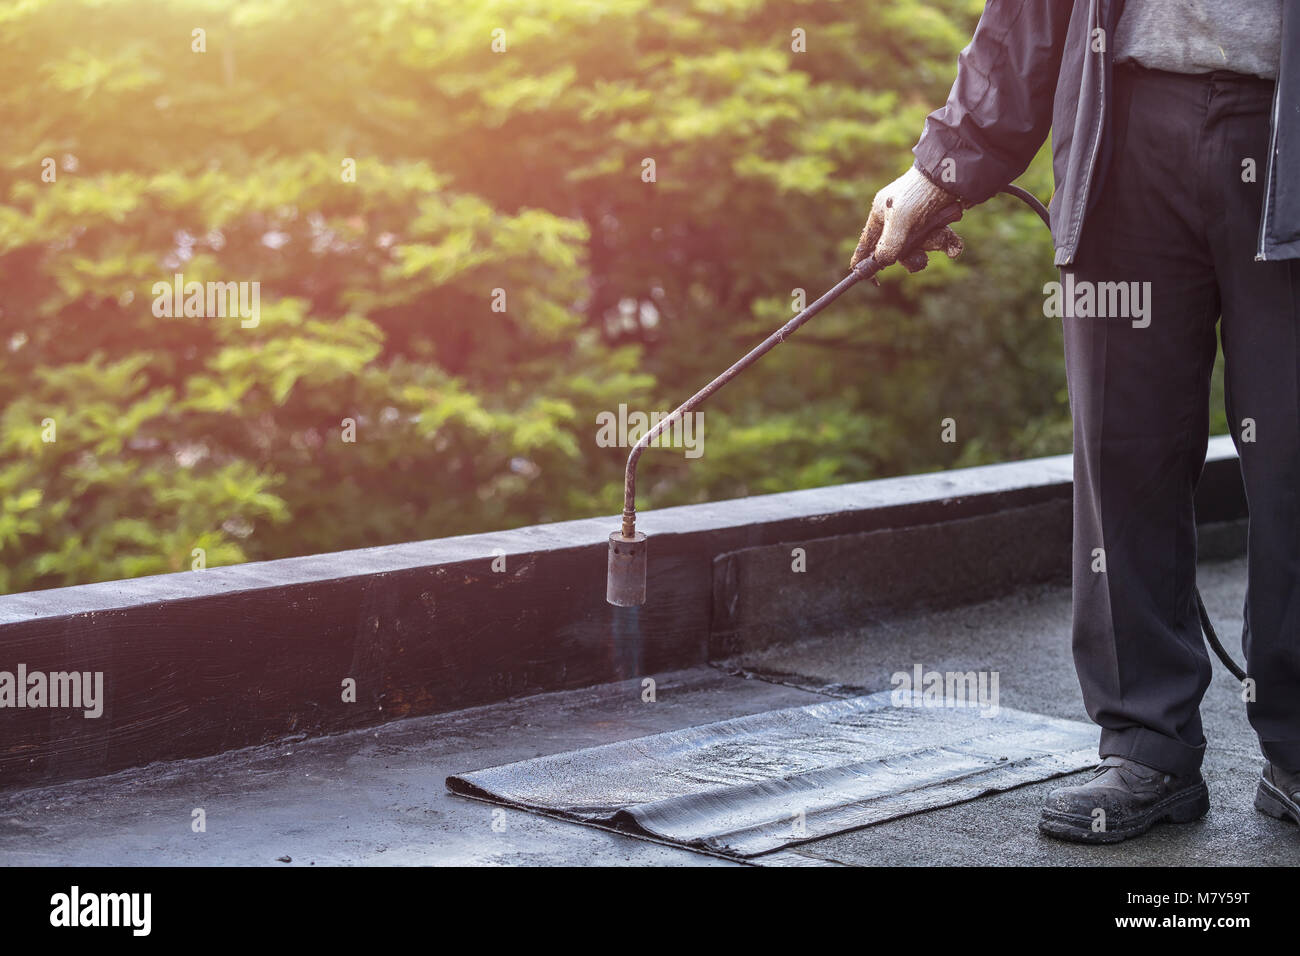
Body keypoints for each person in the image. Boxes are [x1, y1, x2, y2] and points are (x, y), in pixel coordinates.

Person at [851, 0, 1300, 843]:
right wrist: (941, 169)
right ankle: (1147, 745)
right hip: (1124, 125)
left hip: (1292, 124)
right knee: (1122, 445)